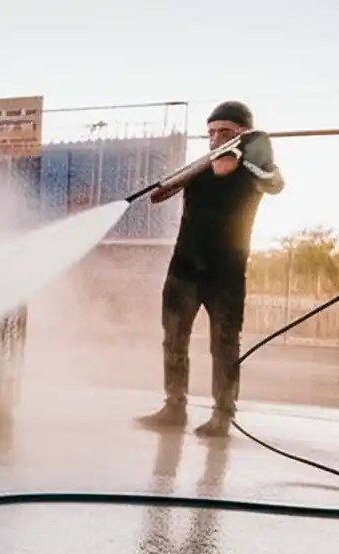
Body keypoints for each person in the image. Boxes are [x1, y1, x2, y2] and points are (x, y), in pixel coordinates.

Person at [136, 101, 285, 437]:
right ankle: (174, 406)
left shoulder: (253, 172)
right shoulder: (199, 170)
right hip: (184, 269)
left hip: (225, 275)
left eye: (225, 132)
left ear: (242, 133)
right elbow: (158, 195)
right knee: (174, 340)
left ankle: (223, 413)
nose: (216, 138)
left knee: (225, 345)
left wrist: (253, 147)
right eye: (212, 133)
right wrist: (203, 166)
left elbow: (275, 183)